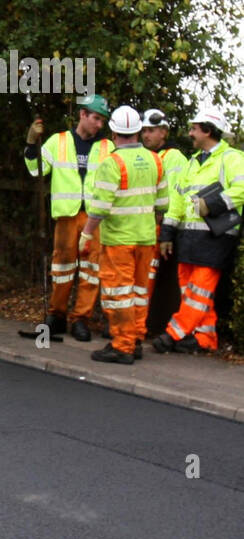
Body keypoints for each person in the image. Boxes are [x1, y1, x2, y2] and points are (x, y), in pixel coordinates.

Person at [78, 106, 167, 364]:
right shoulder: (155, 160)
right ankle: (136, 339)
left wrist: (86, 233)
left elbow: (100, 208)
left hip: (119, 241)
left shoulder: (112, 163)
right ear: (138, 131)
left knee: (118, 295)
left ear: (114, 132)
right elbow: (163, 205)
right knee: (139, 292)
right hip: (146, 239)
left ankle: (122, 345)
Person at [153, 107, 244, 355]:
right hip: (189, 237)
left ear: (207, 130)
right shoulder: (192, 162)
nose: (190, 132)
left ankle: (173, 333)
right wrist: (167, 234)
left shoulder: (232, 158)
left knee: (199, 291)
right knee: (192, 291)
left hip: (216, 237)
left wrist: (211, 205)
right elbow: (178, 200)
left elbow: (241, 190)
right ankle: (205, 338)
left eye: (194, 128)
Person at [24, 93, 115, 340]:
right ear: (83, 115)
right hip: (66, 216)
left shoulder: (108, 147)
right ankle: (57, 315)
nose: (100, 124)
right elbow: (35, 170)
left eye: (103, 120)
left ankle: (81, 319)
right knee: (62, 267)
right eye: (96, 118)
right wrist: (32, 143)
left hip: (95, 218)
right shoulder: (58, 141)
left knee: (90, 268)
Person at [140, 108, 187, 336]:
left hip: (161, 227)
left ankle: (149, 326)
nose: (146, 135)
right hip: (143, 226)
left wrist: (167, 230)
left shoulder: (173, 157)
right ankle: (142, 324)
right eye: (144, 131)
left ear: (164, 132)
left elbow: (174, 196)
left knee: (156, 280)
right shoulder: (145, 155)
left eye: (151, 130)